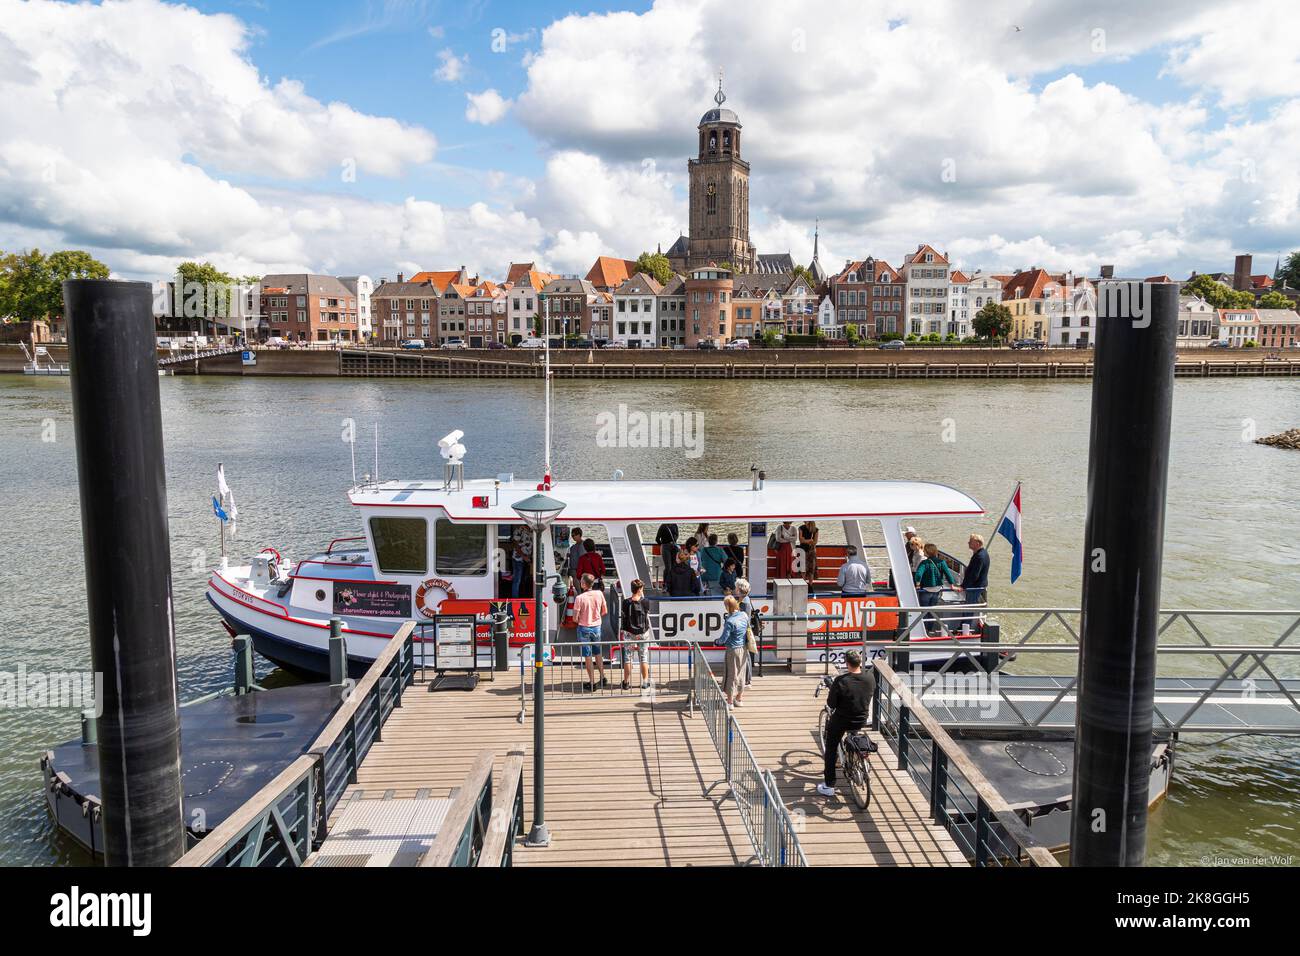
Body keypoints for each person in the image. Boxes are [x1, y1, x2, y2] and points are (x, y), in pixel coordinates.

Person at [816, 649, 877, 797]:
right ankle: (853, 757)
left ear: (846, 663)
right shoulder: (870, 678)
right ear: (861, 662)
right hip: (861, 719)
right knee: (852, 733)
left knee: (830, 748)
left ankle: (829, 785)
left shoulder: (841, 681)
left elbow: (831, 704)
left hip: (842, 720)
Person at [573, 573, 608, 690]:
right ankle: (603, 677)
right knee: (598, 653)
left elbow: (574, 618)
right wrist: (596, 617)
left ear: (583, 584)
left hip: (584, 628)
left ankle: (592, 682)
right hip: (597, 626)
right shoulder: (599, 594)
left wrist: (583, 618)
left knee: (588, 656)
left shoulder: (579, 598)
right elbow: (605, 611)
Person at [915, 542, 957, 637]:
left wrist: (917, 584)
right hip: (937, 590)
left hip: (925, 590)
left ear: (926, 552)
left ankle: (924, 630)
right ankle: (930, 629)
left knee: (924, 611)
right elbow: (949, 575)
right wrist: (952, 586)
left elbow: (918, 575)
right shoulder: (941, 562)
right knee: (932, 611)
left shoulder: (924, 563)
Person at [715, 594, 749, 706]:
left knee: (731, 674)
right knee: (741, 673)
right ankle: (739, 699)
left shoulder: (729, 621)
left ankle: (729, 701)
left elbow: (723, 638)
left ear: (727, 607)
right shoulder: (744, 615)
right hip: (743, 648)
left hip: (732, 650)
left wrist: (716, 642)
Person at [619, 578, 650, 690]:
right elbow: (646, 613)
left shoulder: (626, 602)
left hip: (629, 633)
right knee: (643, 657)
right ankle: (645, 682)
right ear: (640, 589)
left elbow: (624, 616)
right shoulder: (645, 601)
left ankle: (626, 682)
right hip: (643, 633)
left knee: (628, 658)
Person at [959, 533, 990, 633]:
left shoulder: (980, 556)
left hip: (975, 587)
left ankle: (965, 630)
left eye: (970, 541)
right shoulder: (981, 553)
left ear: (977, 543)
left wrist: (963, 587)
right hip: (976, 586)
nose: (968, 543)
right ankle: (963, 627)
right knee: (968, 607)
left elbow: (974, 575)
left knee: (969, 608)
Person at [735, 578, 756, 686]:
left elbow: (744, 620)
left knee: (745, 656)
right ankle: (746, 678)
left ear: (739, 589)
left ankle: (747, 679)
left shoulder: (744, 602)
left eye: (736, 587)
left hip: (743, 632)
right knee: (745, 655)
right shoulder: (745, 600)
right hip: (744, 631)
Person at [510, 525, 533, 599]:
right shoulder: (519, 529)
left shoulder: (533, 530)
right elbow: (515, 544)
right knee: (517, 579)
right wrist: (524, 556)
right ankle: (515, 599)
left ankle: (525, 597)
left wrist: (530, 557)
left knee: (526, 579)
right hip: (518, 559)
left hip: (528, 559)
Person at [798, 520, 819, 584]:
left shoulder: (815, 530)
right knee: (803, 569)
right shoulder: (801, 528)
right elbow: (801, 540)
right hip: (804, 550)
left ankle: (810, 585)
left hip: (810, 551)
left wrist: (805, 540)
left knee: (811, 570)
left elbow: (815, 542)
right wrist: (810, 540)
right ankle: (804, 584)